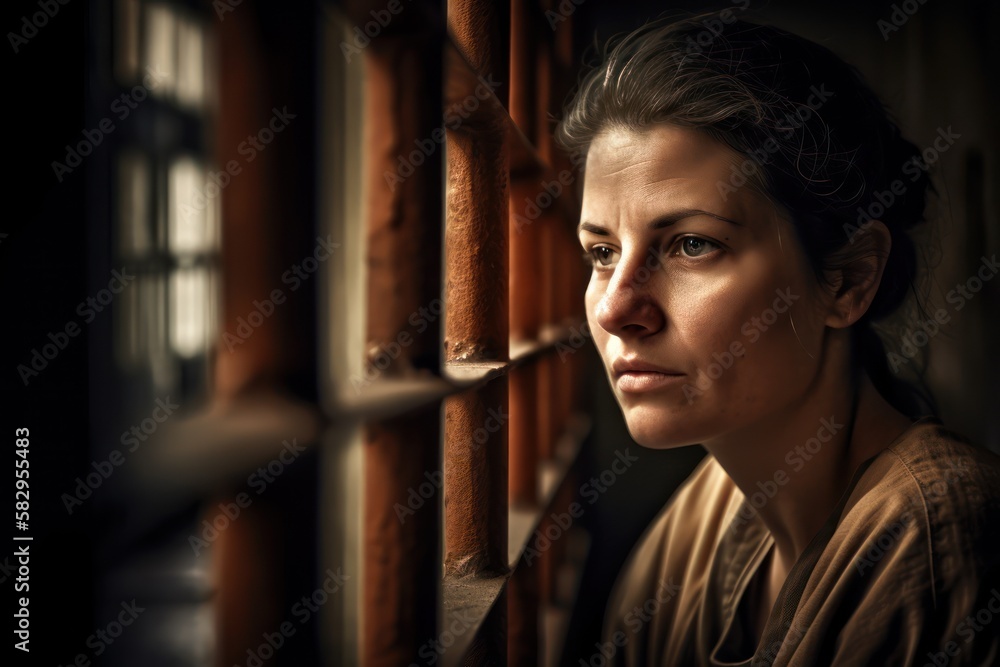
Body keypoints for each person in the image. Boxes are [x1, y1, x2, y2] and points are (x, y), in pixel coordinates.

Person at [556, 12, 1000, 666]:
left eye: (692, 245)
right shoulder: (695, 527)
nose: (617, 307)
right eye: (601, 252)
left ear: (848, 278)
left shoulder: (942, 542)